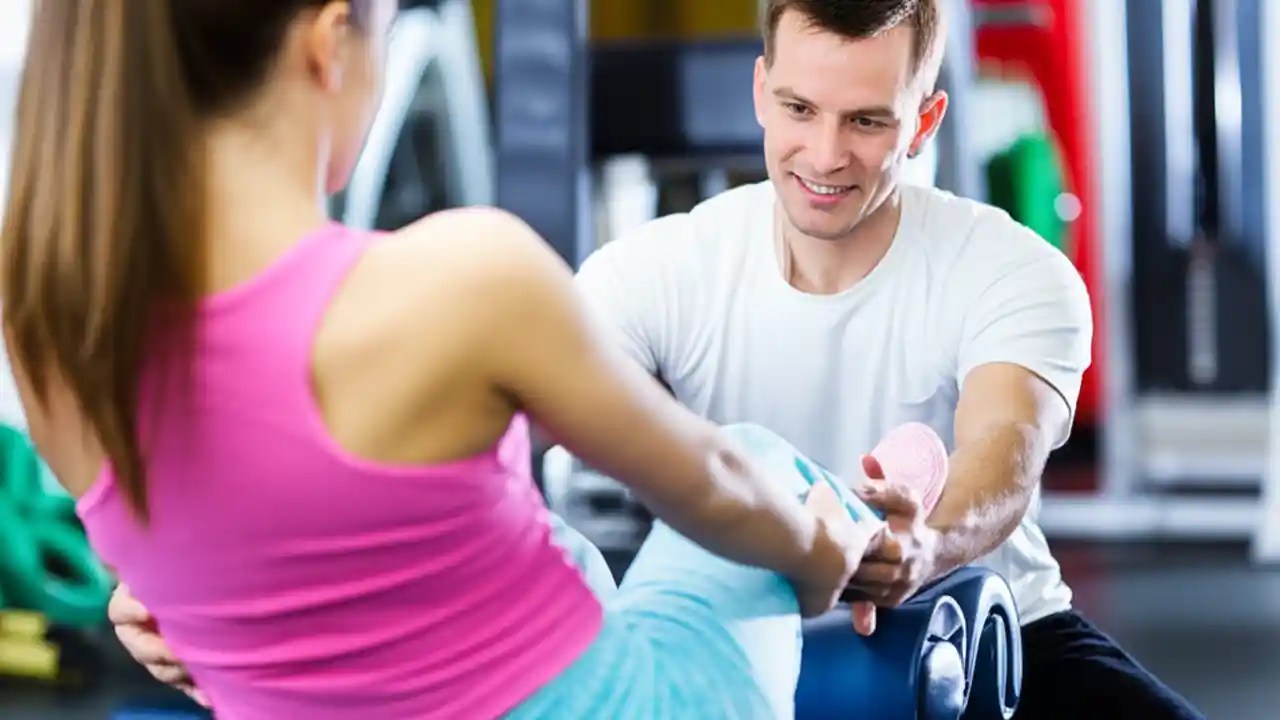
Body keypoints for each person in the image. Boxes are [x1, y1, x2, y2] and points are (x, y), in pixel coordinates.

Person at [101, 1, 1205, 719]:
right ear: (757, 84)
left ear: (924, 119)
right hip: (736, 633)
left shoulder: (1010, 270)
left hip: (984, 626)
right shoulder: (657, 272)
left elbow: (999, 463)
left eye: (868, 122)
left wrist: (922, 548)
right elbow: (437, 428)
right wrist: (207, 572)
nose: (824, 156)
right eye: (797, 108)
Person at [0, 1, 895, 718]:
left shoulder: (50, 334)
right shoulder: (463, 277)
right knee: (756, 461)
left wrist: (176, 604)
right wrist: (817, 549)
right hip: (645, 700)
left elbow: (164, 582)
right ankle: (885, 527)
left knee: (556, 548)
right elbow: (712, 483)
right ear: (328, 46)